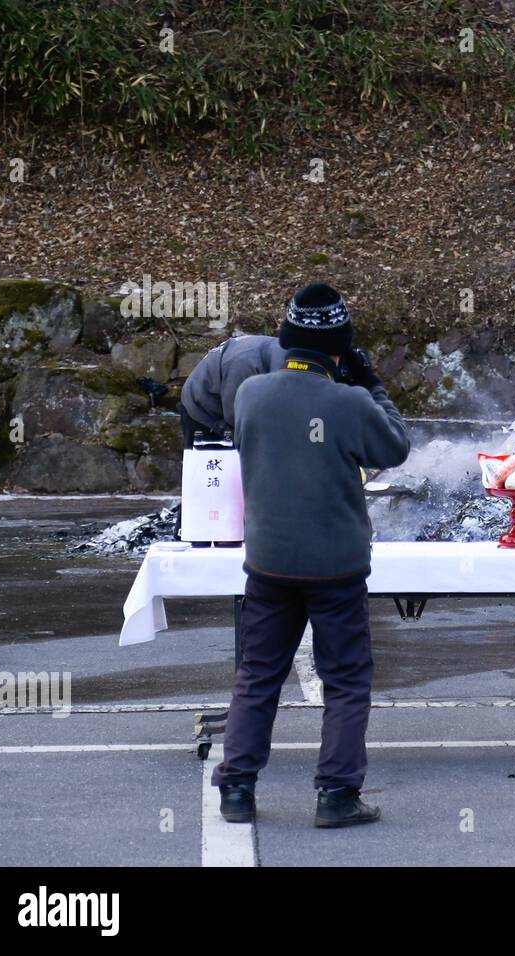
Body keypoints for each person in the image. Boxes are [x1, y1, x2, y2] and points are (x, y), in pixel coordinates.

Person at [211, 283, 410, 828]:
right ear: (340, 350)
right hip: (337, 566)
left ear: (288, 339)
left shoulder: (250, 393)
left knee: (258, 674)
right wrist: (369, 384)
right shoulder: (349, 402)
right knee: (345, 679)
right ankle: (337, 795)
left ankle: (237, 788)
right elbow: (393, 447)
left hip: (269, 560)